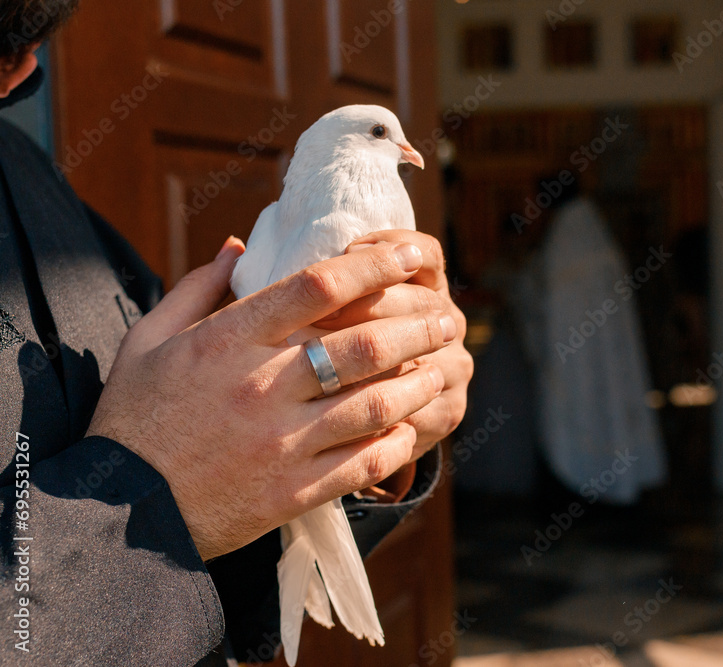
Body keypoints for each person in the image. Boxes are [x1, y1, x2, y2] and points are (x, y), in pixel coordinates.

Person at [0, 3, 473, 665]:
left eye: (24, 39)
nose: (28, 70)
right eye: (8, 38)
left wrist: (366, 446)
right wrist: (139, 499)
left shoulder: (32, 174)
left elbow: (214, 530)